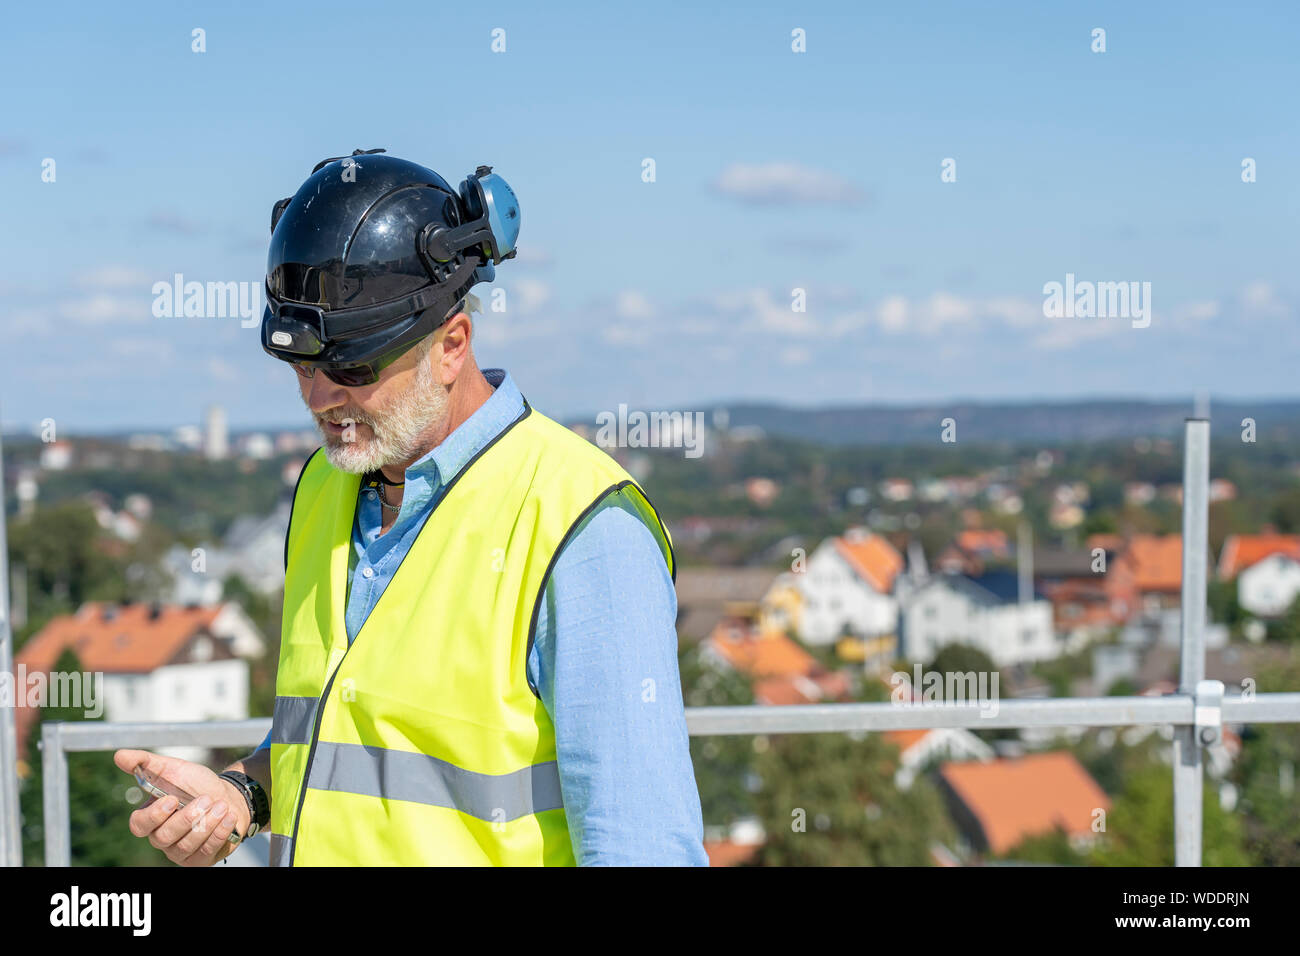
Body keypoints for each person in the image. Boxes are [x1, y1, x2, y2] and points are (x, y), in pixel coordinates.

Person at [116, 150, 708, 866]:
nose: (319, 398)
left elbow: (640, 844)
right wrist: (244, 795)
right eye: (303, 366)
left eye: (352, 367)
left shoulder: (583, 526)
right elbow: (338, 738)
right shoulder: (323, 488)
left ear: (452, 345)